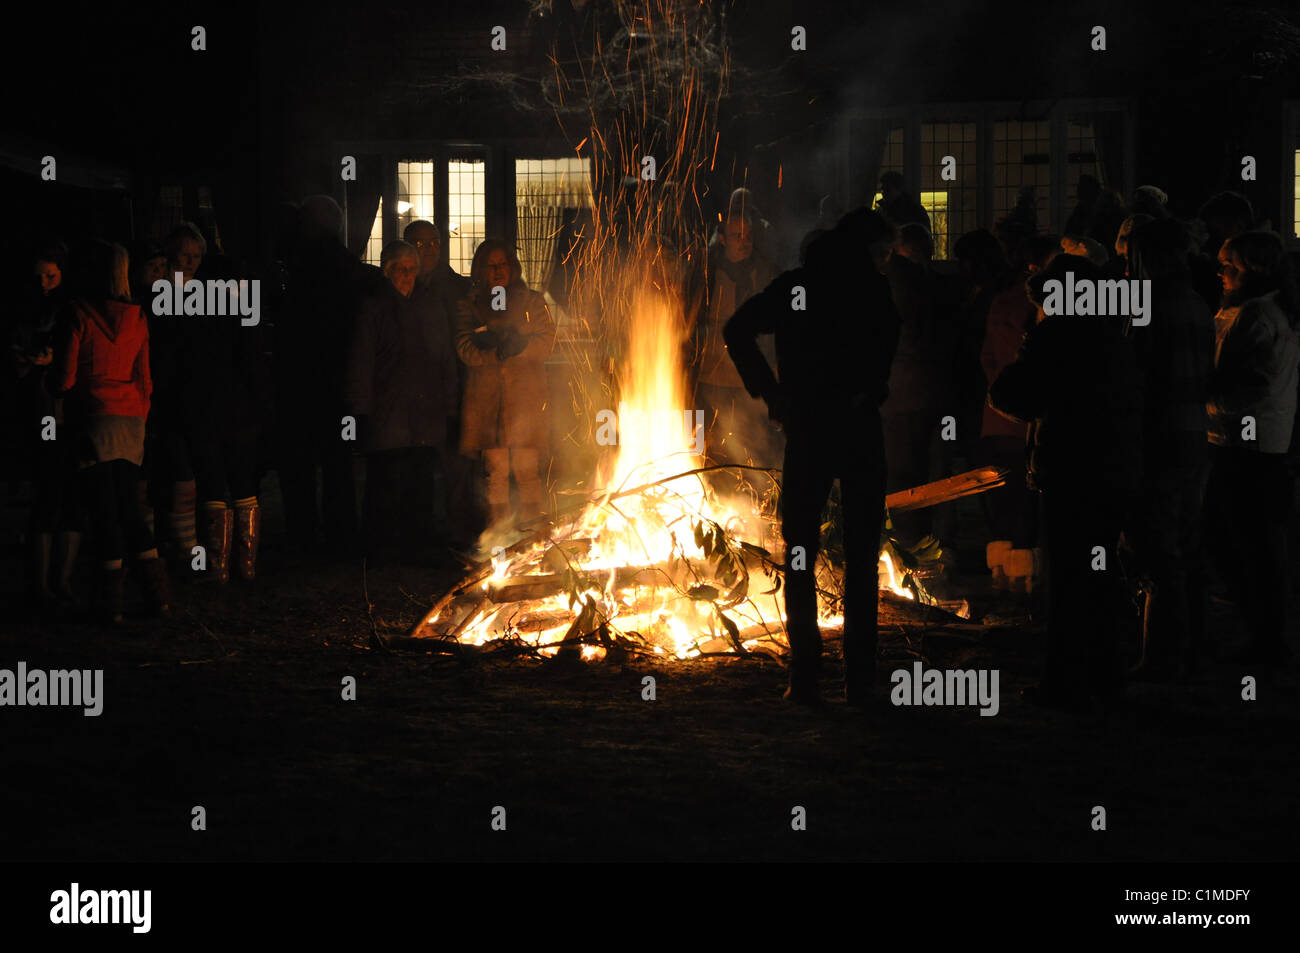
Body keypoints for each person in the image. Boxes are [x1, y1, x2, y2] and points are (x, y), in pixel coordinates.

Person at [724, 208, 901, 706]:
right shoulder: (873, 290)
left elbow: (737, 329)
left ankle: (804, 678)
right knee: (862, 555)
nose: (886, 261)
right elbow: (884, 351)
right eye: (883, 253)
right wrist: (868, 392)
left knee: (800, 551)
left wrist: (773, 395)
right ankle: (859, 682)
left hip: (809, 431)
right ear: (866, 249)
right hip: (857, 431)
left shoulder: (797, 286)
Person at [989, 255, 1143, 711]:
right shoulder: (1116, 333)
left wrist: (1024, 359)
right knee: (1103, 574)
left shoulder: (1055, 335)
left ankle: (1064, 683)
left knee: (1070, 580)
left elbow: (1012, 394)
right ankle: (1107, 675)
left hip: (1072, 472)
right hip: (1114, 469)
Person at [51, 240, 170, 624]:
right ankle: (158, 596)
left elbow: (66, 376)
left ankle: (110, 604)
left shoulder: (77, 314)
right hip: (130, 421)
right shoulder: (138, 317)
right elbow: (146, 379)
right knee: (131, 510)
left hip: (93, 419)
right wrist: (140, 413)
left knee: (104, 512)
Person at [1123, 218, 1214, 680]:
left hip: (1157, 440)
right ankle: (1193, 647)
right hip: (1192, 439)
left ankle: (1160, 658)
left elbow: (1136, 380)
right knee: (1186, 544)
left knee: (1157, 552)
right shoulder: (1196, 303)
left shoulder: (1146, 307)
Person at [1203, 231, 1300, 662]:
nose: (1222, 273)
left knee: (1247, 543)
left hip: (1248, 445)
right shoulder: (1258, 312)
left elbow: (1244, 384)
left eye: (1231, 266)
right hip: (1251, 442)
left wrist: (1194, 391)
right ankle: (1264, 631)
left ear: (1252, 271)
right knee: (1250, 543)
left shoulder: (1257, 317)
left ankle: (1267, 636)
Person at [347, 240, 459, 562]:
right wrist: (360, 412)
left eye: (412, 269)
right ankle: (379, 549)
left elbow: (445, 362)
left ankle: (417, 545)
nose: (407, 276)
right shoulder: (374, 308)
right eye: (400, 269)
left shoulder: (430, 306)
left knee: (420, 483)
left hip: (425, 417)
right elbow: (362, 363)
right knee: (385, 483)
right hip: (389, 417)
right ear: (387, 270)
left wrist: (449, 409)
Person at [183, 253, 272, 584]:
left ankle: (217, 567)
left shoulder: (194, 314)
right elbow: (255, 364)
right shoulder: (245, 313)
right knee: (244, 482)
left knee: (213, 484)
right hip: (241, 412)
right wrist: (262, 407)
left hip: (205, 409)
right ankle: (246, 565)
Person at [455, 240, 556, 529]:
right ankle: (498, 535)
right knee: (495, 472)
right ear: (481, 270)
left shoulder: (532, 301)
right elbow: (464, 346)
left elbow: (547, 342)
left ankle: (533, 532)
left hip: (526, 403)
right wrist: (491, 351)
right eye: (492, 265)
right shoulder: (471, 304)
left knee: (527, 470)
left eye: (503, 264)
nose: (498, 271)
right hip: (487, 406)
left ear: (513, 267)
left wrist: (520, 347)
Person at [10, 244, 82, 610]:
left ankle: (62, 581)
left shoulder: (69, 311)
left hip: (66, 411)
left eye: (51, 276)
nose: (44, 284)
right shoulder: (22, 311)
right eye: (39, 277)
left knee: (68, 497)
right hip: (39, 413)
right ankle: (42, 584)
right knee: (48, 494)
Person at [687, 208, 780, 486]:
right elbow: (689, 321)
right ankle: (709, 493)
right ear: (723, 239)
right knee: (711, 442)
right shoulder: (707, 273)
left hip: (748, 378)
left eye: (748, 236)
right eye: (737, 236)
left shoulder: (762, 272)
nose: (744, 241)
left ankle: (750, 498)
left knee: (749, 440)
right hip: (711, 375)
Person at [403, 219, 477, 547]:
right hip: (412, 397)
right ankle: (418, 534)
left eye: (433, 243)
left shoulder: (460, 289)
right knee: (415, 469)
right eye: (420, 244)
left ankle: (460, 535)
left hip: (454, 393)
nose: (429, 250)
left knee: (456, 469)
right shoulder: (399, 289)